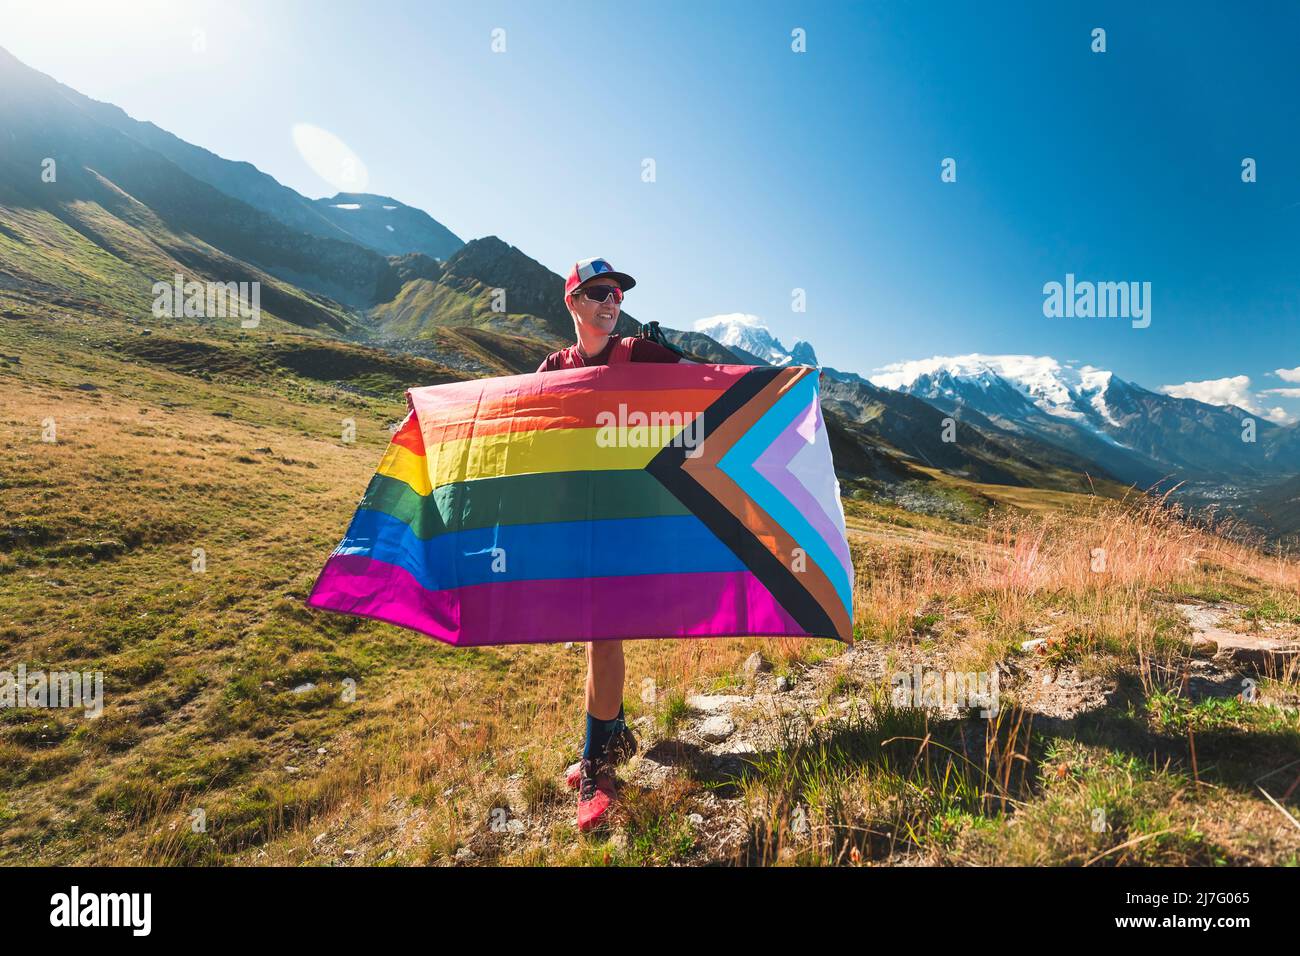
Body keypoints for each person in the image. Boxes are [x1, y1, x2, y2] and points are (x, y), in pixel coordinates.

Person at [537, 256, 683, 832]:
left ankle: (598, 771)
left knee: (603, 633)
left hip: (630, 514)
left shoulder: (639, 354)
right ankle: (614, 735)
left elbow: (706, 392)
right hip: (581, 517)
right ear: (573, 303)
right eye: (598, 293)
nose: (611, 302)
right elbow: (528, 422)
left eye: (617, 294)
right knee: (597, 630)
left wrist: (669, 355)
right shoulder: (555, 365)